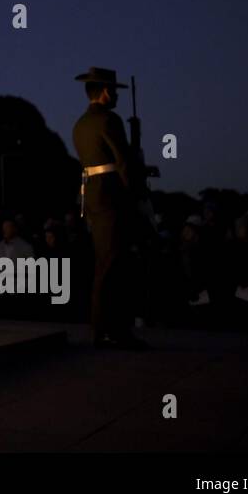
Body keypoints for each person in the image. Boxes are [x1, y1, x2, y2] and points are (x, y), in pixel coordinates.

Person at [71, 67, 147, 349]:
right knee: (115, 265)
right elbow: (123, 161)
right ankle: (112, 331)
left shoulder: (80, 124)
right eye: (113, 90)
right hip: (112, 197)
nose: (115, 95)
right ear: (103, 91)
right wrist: (138, 193)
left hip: (93, 196)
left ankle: (104, 329)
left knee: (106, 262)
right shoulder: (109, 119)